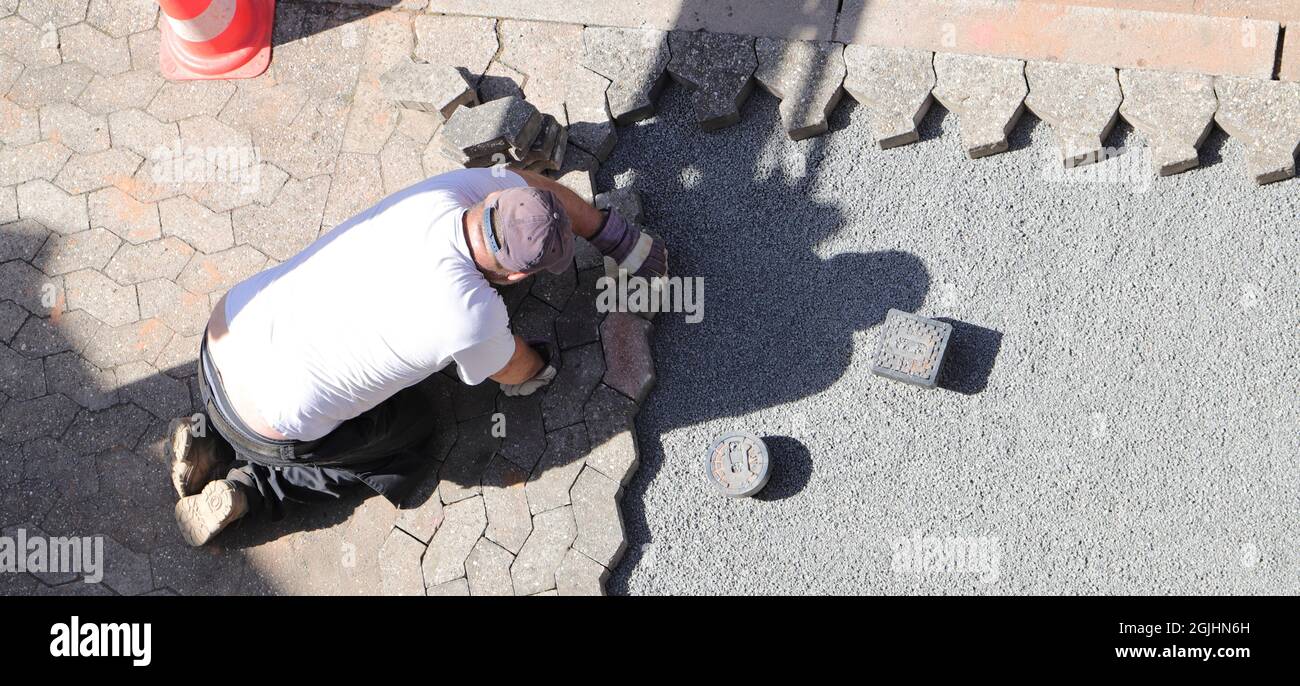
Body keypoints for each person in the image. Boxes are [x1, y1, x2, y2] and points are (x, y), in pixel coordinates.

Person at [168, 167, 666, 546]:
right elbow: (518, 371)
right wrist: (542, 369)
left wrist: (614, 235)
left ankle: (205, 438)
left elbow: (536, 187)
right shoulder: (470, 318)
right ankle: (251, 490)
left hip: (224, 336)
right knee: (409, 433)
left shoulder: (449, 192)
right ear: (516, 278)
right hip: (268, 426)